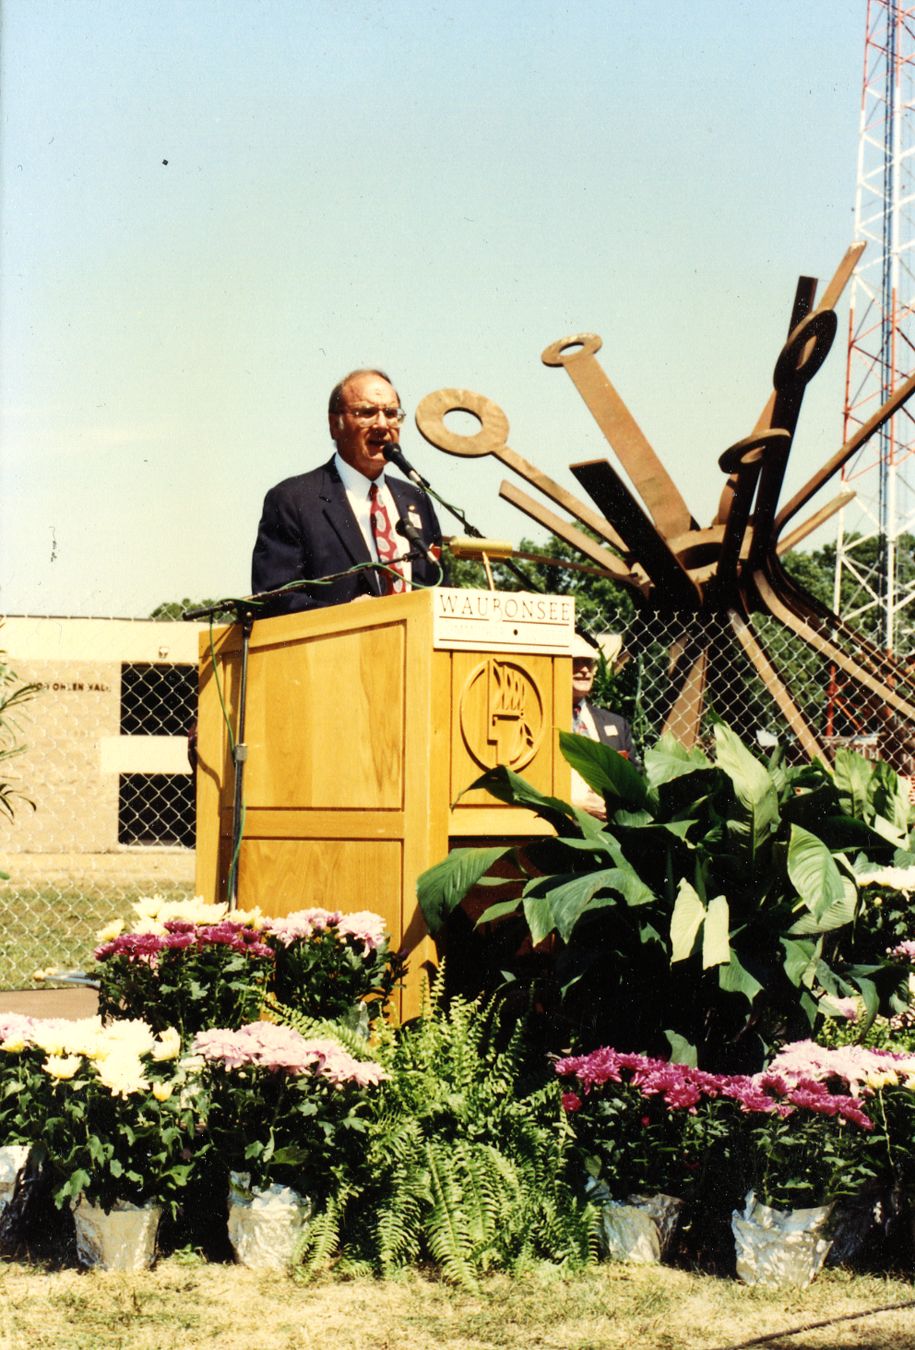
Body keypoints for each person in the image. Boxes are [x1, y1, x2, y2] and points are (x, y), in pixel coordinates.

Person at [251, 368, 444, 615]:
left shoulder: (416, 500)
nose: (382, 425)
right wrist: (346, 616)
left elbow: (439, 590)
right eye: (367, 413)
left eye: (391, 413)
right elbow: (273, 600)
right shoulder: (293, 500)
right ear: (335, 425)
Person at [569, 632, 640, 817]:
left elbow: (634, 782)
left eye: (589, 663)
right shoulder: (542, 725)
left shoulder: (616, 724)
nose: (584, 670)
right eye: (575, 662)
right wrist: (573, 804)